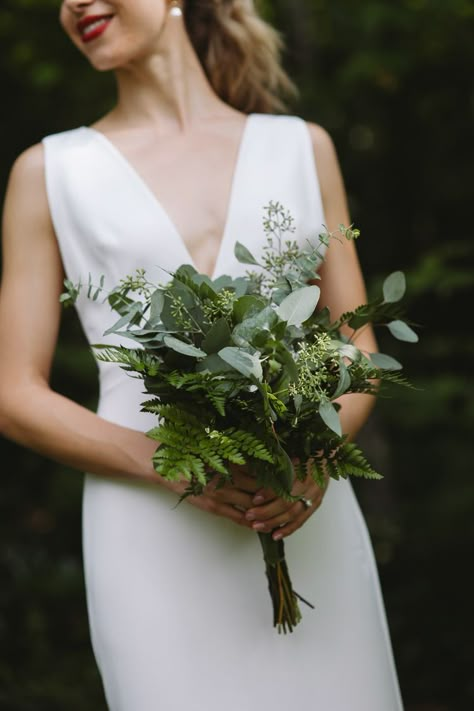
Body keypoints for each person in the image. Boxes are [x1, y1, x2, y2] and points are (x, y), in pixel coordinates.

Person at [0, 1, 404, 709]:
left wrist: (317, 455)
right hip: (150, 537)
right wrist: (165, 464)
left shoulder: (302, 149)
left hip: (303, 515)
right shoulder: (48, 173)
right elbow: (13, 389)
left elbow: (357, 345)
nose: (74, 5)